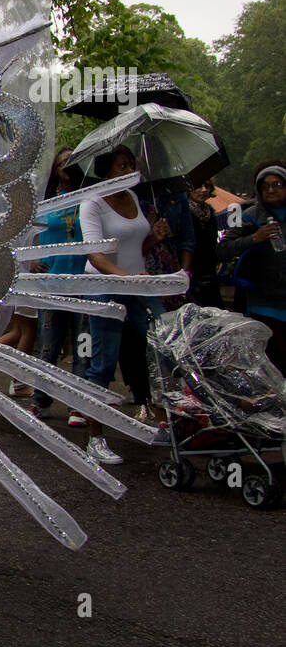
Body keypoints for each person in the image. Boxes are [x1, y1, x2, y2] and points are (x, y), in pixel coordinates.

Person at [80, 145, 170, 464]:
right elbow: (95, 254)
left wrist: (155, 237)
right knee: (104, 363)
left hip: (139, 287)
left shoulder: (132, 198)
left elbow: (136, 247)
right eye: (121, 166)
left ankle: (163, 421)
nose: (129, 171)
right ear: (105, 171)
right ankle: (95, 438)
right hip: (105, 288)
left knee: (163, 346)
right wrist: (125, 277)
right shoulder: (91, 203)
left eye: (132, 165)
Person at [31, 147, 91, 426]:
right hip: (52, 282)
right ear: (54, 171)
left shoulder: (89, 200)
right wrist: (31, 261)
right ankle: (40, 401)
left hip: (83, 281)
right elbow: (30, 234)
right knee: (49, 346)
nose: (66, 166)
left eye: (71, 161)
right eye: (60, 163)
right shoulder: (45, 201)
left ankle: (77, 405)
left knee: (83, 346)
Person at [216, 160, 286, 373]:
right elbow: (223, 249)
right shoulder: (248, 215)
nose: (271, 190)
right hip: (262, 299)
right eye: (265, 186)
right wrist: (255, 238)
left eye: (277, 185)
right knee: (270, 361)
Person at [187, 178, 224, 308]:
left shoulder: (210, 212)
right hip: (191, 271)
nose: (203, 190)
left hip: (209, 271)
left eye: (206, 186)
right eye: (198, 186)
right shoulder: (184, 212)